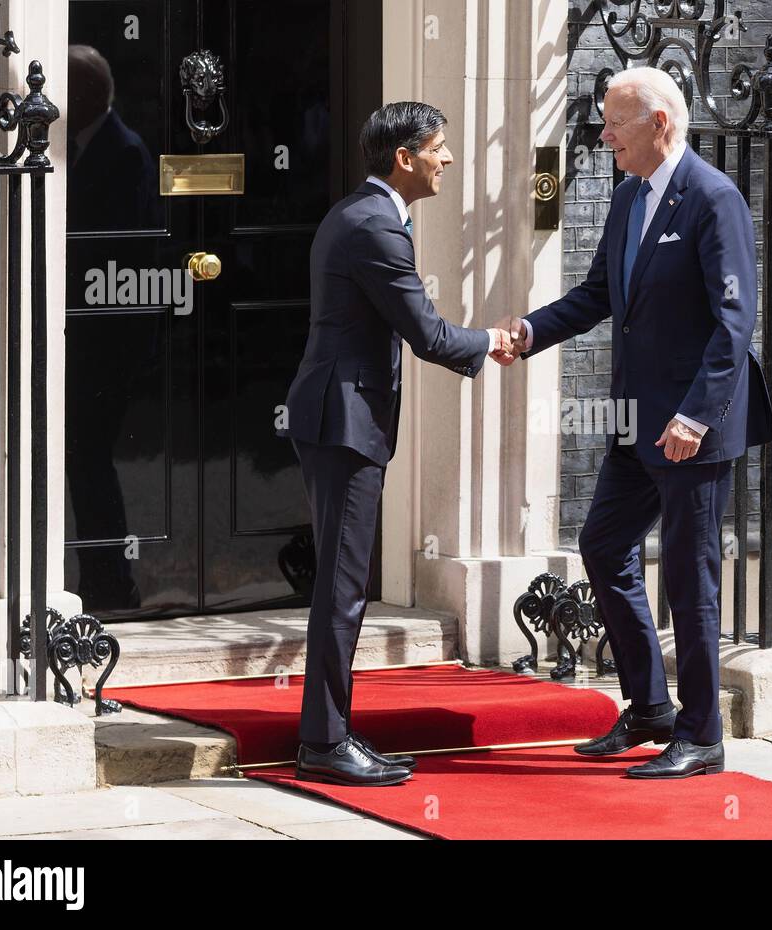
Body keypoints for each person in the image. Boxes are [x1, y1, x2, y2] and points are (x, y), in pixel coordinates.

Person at [502, 67, 772, 778]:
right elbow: (597, 294)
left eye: (614, 121)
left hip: (692, 425)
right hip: (635, 421)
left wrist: (695, 414)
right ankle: (650, 707)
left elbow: (735, 322)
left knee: (690, 577)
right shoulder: (628, 197)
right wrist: (528, 332)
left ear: (658, 123)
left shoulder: (714, 200)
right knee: (602, 544)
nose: (604, 133)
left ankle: (702, 733)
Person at [279, 102, 517, 787]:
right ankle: (324, 743)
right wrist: (493, 341)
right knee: (344, 586)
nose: (447, 160)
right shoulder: (377, 225)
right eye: (439, 148)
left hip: (339, 418)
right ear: (404, 158)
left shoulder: (359, 214)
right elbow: (428, 334)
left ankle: (330, 734)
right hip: (344, 423)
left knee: (341, 581)